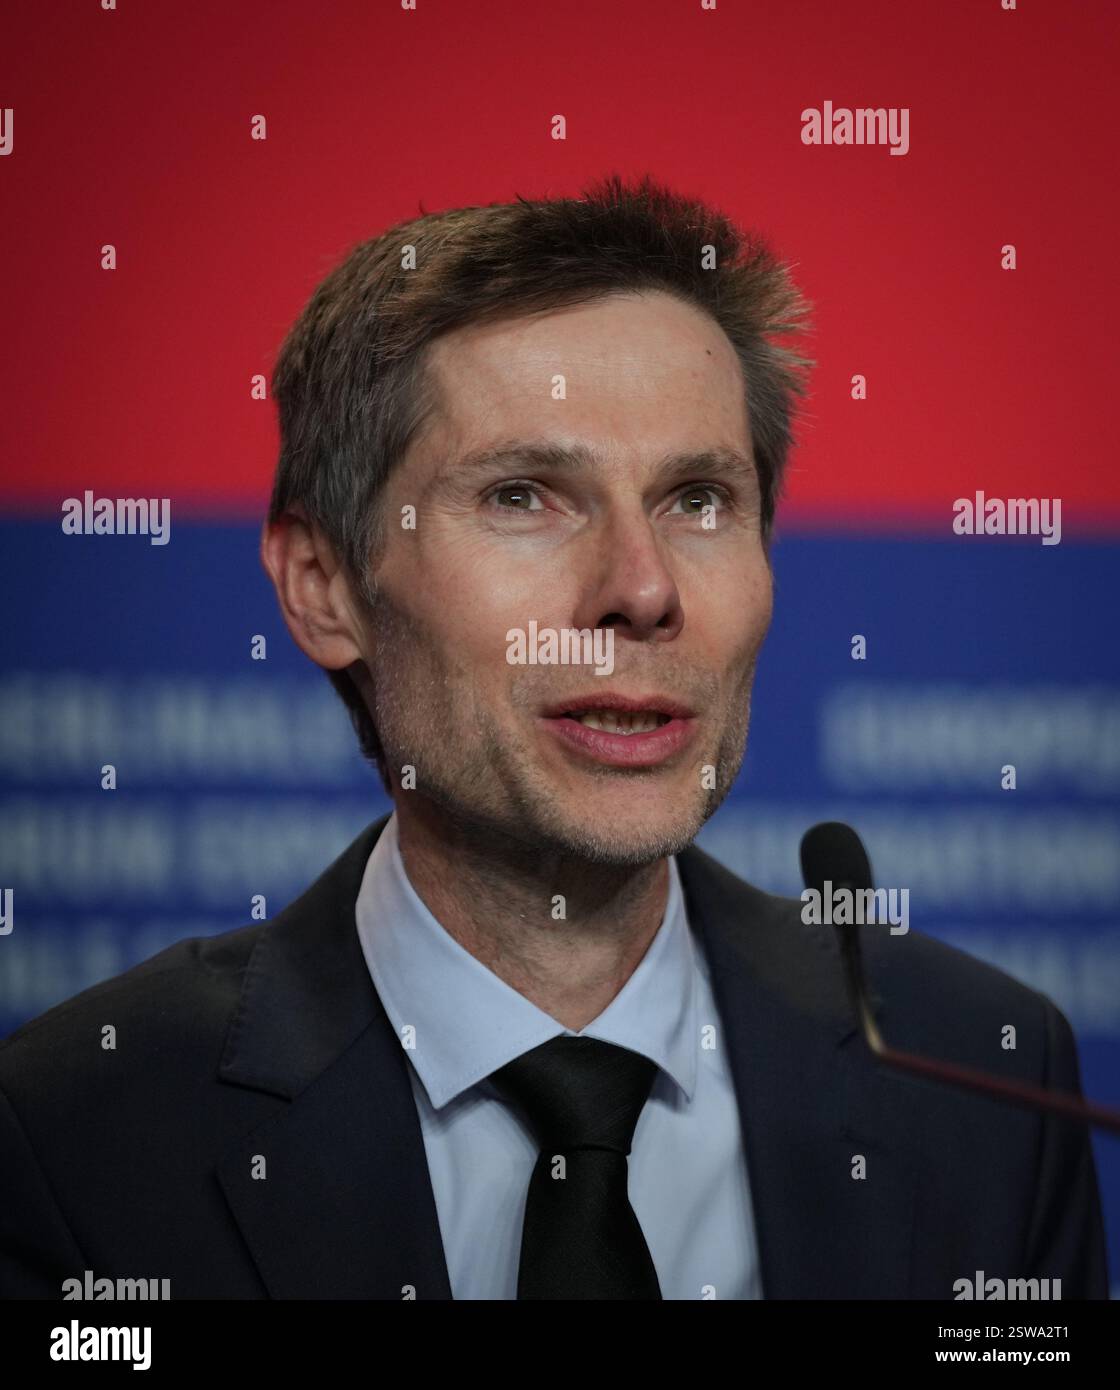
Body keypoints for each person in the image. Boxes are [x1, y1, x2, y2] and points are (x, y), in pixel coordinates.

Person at [0, 174, 1107, 1300]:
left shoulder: (981, 1080)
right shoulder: (76, 1129)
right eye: (525, 494)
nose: (641, 587)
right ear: (324, 585)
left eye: (697, 498)